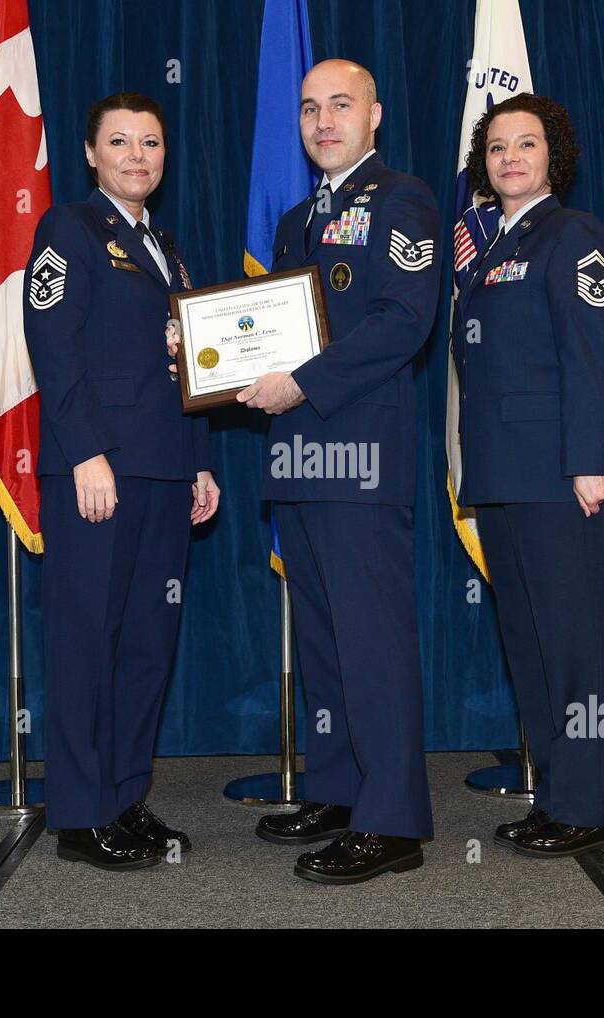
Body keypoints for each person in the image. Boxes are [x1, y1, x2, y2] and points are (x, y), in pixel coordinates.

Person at [170, 59, 441, 884]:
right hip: (299, 459)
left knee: (373, 642)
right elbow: (267, 335)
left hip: (361, 462)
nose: (324, 121)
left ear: (375, 113)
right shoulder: (294, 222)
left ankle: (392, 822)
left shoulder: (404, 200)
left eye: (341, 105)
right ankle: (337, 787)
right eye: (310, 107)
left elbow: (404, 321)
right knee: (323, 642)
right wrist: (206, 358)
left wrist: (302, 382)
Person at [24, 92, 219, 872]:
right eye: (121, 142)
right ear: (90, 153)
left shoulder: (168, 248)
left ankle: (123, 796)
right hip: (97, 474)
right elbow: (52, 343)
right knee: (85, 640)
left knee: (147, 643)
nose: (138, 156)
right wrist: (82, 454)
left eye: (151, 143)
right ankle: (79, 811)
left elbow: (192, 363)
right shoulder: (68, 230)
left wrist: (200, 455)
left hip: (166, 470)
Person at [451, 92, 604, 857]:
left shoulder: (573, 235)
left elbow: (593, 356)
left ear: (554, 155)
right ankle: (556, 796)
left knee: (576, 646)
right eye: (497, 148)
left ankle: (594, 804)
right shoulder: (488, 247)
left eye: (526, 144)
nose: (511, 158)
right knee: (528, 645)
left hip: (562, 478)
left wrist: (590, 461)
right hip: (501, 475)